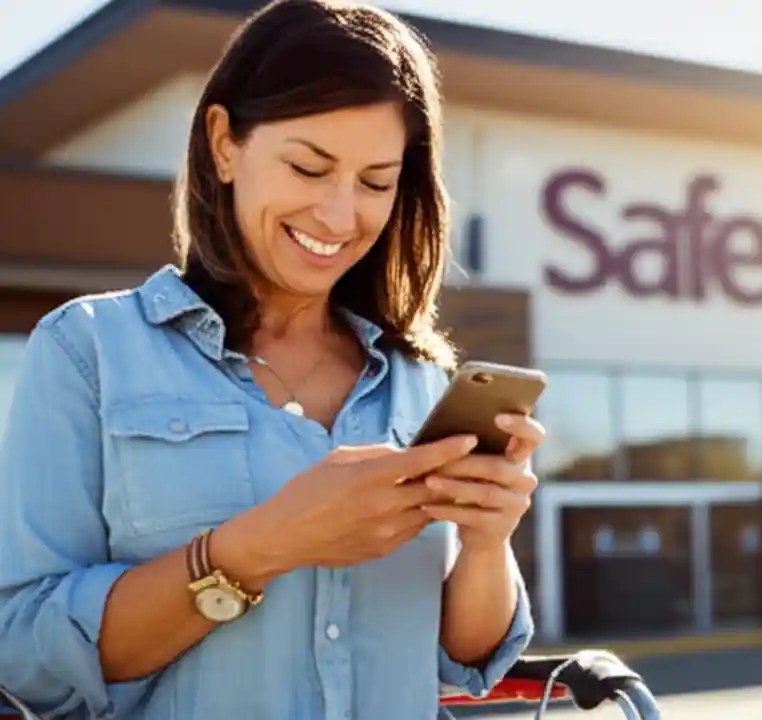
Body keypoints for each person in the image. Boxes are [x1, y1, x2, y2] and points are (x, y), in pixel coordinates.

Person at [0, 1, 540, 717]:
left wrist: (484, 542)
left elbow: (462, 662)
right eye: (309, 167)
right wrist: (258, 547)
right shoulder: (89, 350)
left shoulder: (418, 381)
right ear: (224, 144)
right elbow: (26, 658)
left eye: (377, 182)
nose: (341, 217)